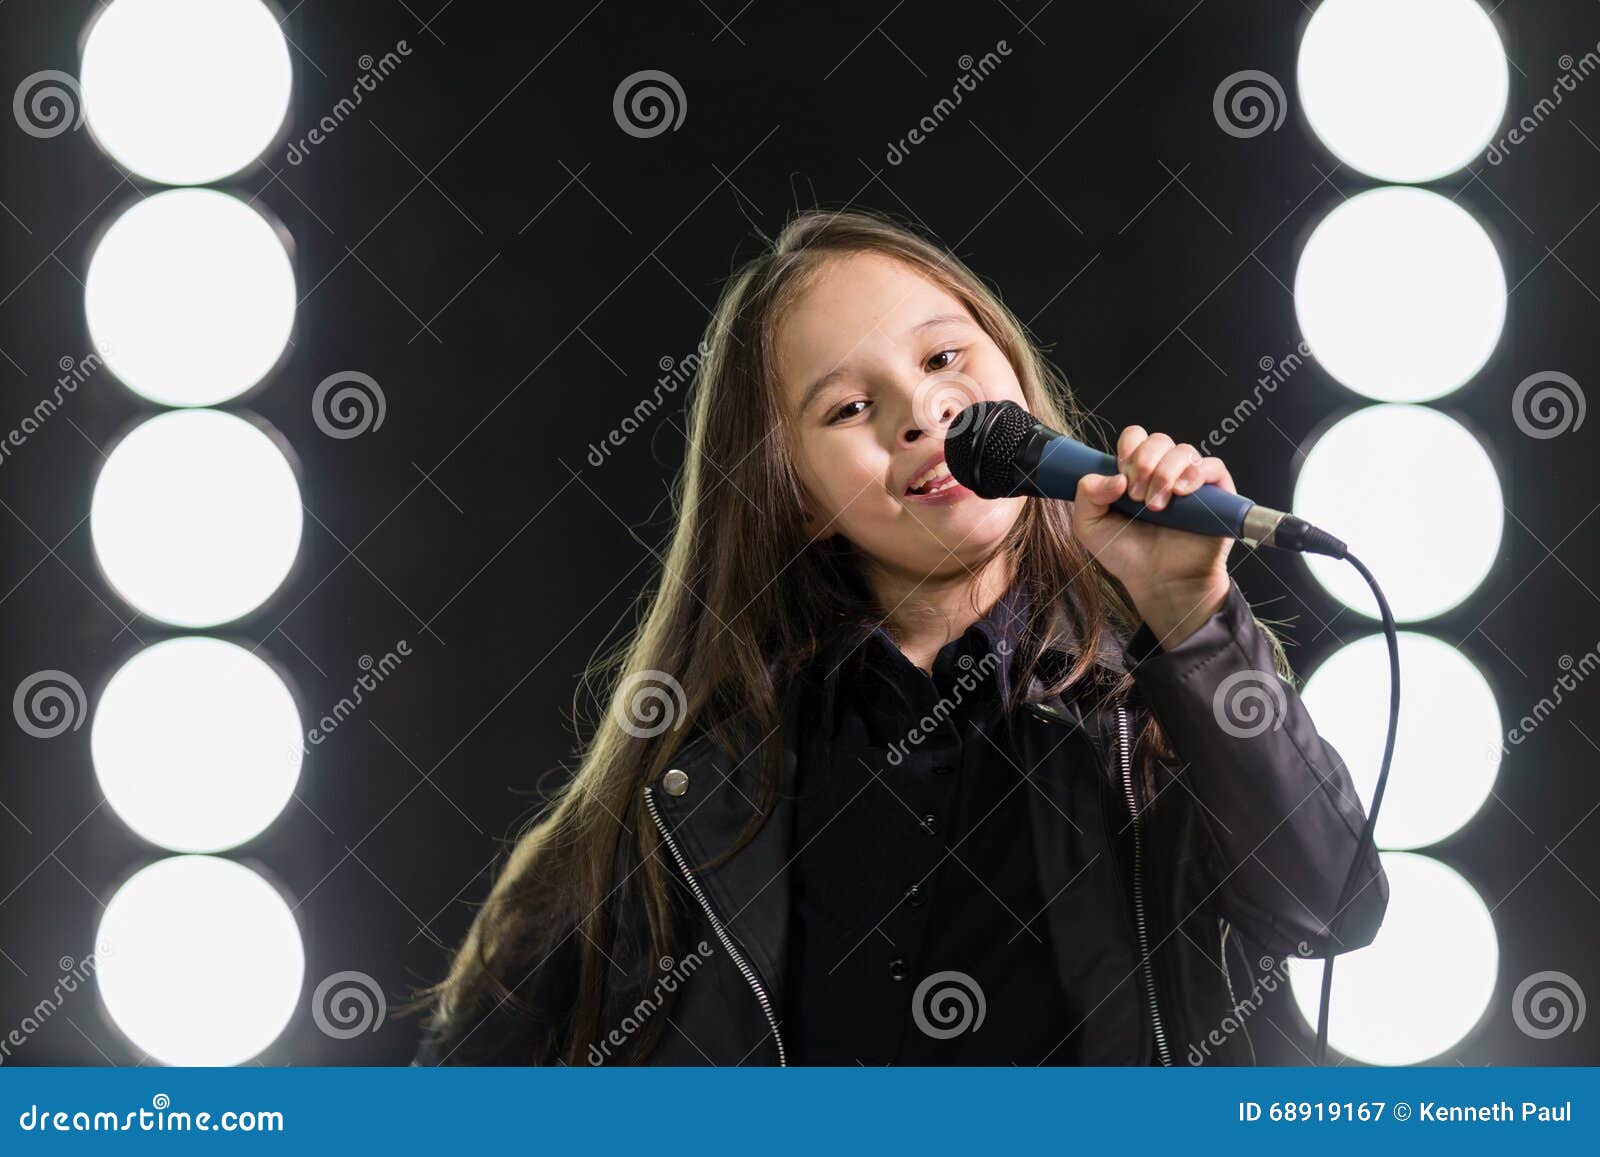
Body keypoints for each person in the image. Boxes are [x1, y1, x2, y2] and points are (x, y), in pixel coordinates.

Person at [411, 208, 1388, 1066]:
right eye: (848, 407)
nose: (922, 414)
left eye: (942, 358)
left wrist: (1193, 624)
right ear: (790, 496)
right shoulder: (682, 791)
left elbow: (1333, 908)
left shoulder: (1153, 708)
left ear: (1014, 374)